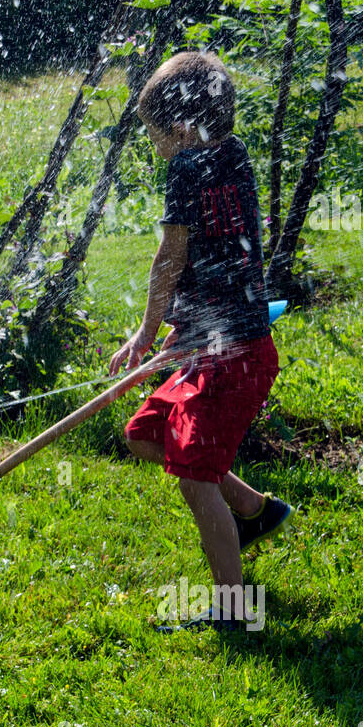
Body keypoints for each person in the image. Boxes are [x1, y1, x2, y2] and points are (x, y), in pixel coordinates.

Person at [108, 51, 291, 632]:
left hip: (231, 357)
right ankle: (252, 511)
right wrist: (177, 328)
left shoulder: (187, 170)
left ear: (183, 128)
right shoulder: (236, 156)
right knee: (146, 433)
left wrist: (144, 332)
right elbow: (217, 255)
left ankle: (234, 609)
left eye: (157, 137)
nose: (157, 148)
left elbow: (171, 257)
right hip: (211, 345)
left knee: (193, 477)